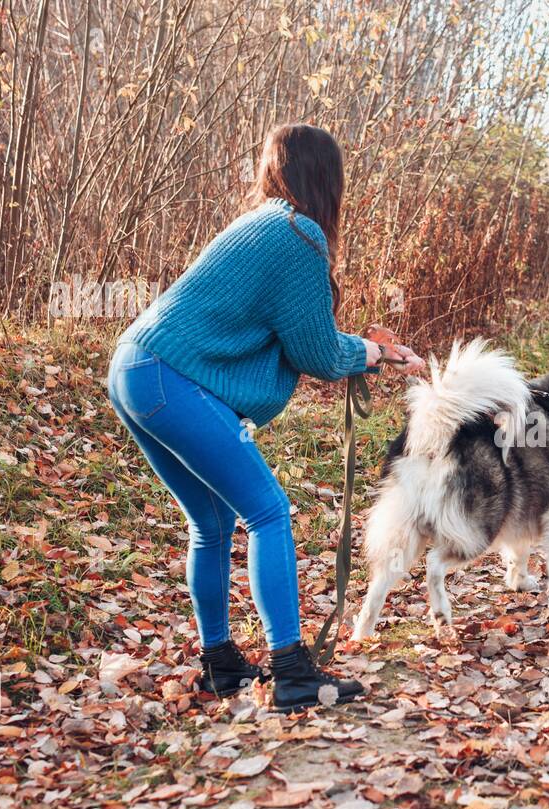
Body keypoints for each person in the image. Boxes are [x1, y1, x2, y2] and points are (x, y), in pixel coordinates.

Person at [107, 123, 424, 713]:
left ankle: (221, 664)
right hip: (169, 376)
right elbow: (317, 354)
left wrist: (368, 348)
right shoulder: (298, 234)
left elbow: (304, 335)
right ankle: (291, 670)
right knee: (269, 511)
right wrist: (373, 353)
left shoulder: (263, 224)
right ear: (327, 179)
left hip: (137, 368)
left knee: (213, 522)